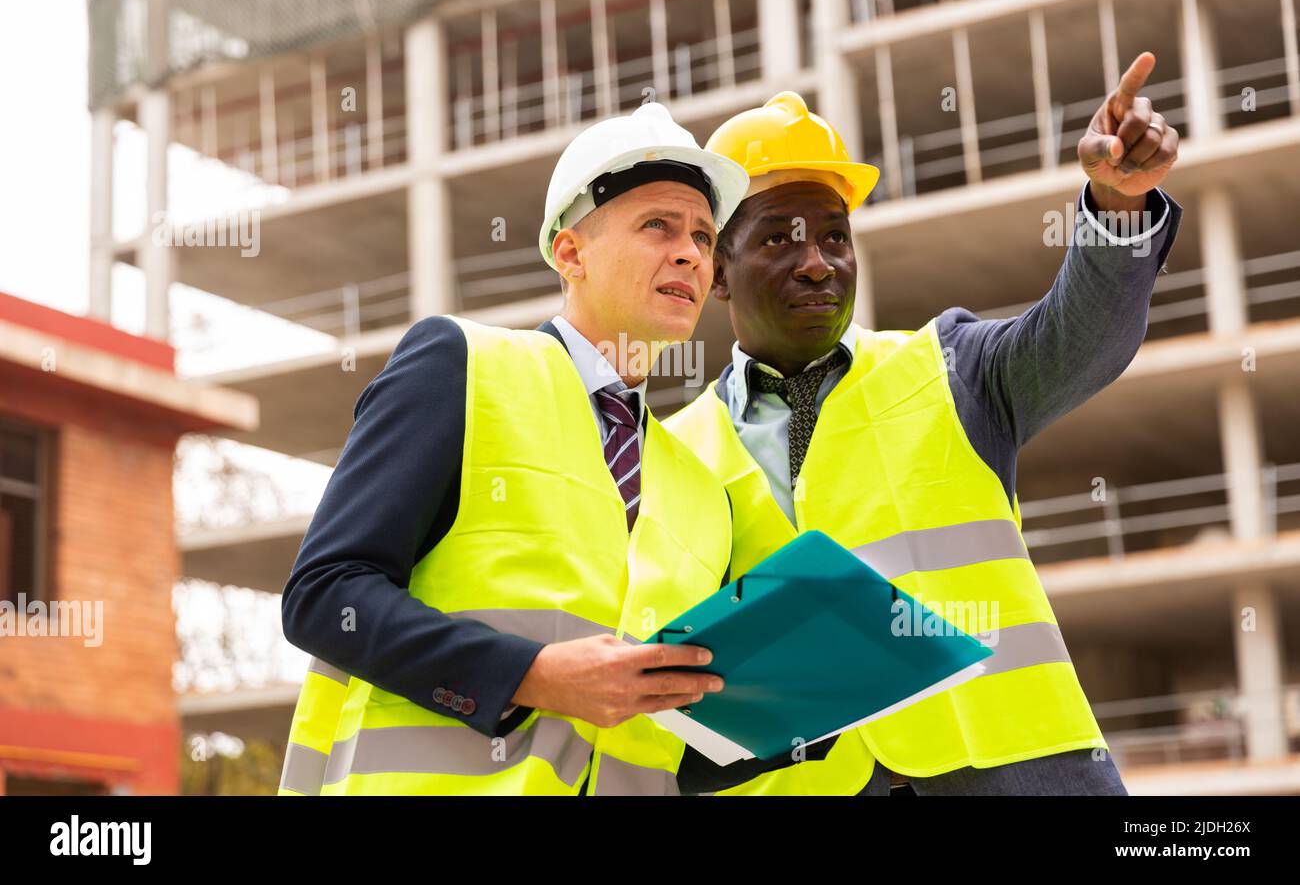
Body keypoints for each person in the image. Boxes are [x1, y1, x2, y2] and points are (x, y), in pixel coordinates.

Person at [664, 53, 1181, 795]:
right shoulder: (673, 453)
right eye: (780, 239)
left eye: (835, 237)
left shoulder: (953, 368)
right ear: (717, 271)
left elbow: (1083, 337)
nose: (817, 263)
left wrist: (1116, 204)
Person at [277, 101, 819, 795]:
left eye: (705, 237)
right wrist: (530, 677)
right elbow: (325, 596)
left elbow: (670, 738)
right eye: (659, 225)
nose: (690, 252)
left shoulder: (699, 489)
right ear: (571, 253)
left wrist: (805, 716)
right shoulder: (462, 366)